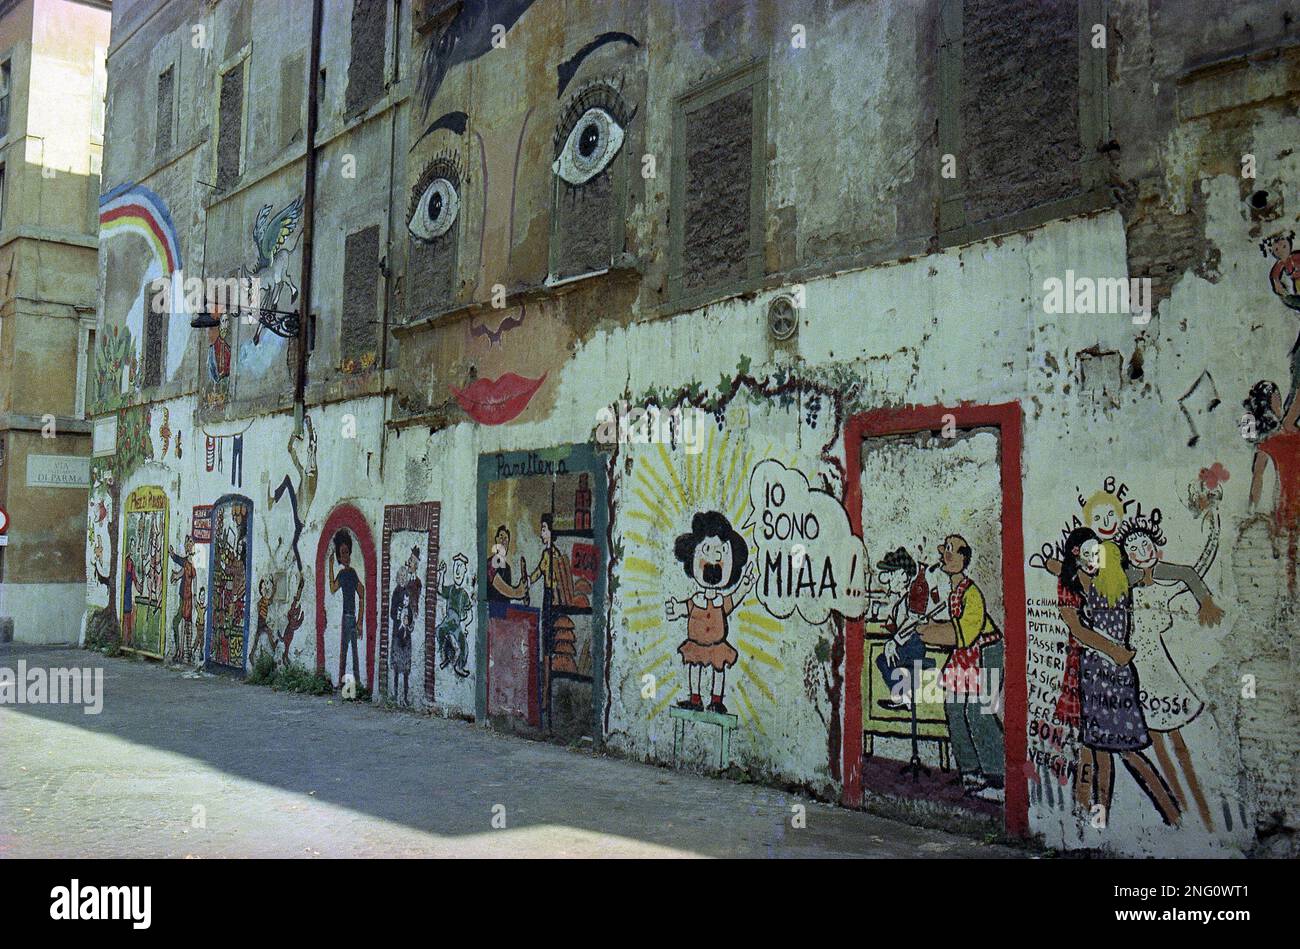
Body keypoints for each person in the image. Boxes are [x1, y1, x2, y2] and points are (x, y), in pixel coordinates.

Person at [1055, 527, 1180, 825]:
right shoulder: (1121, 587)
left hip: (1098, 676)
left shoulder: (1092, 589)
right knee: (1124, 752)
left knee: (1110, 754)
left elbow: (1077, 618)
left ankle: (1105, 821)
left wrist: (1059, 565)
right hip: (1119, 677)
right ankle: (1169, 815)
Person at [918, 535, 1004, 801]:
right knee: (954, 709)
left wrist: (930, 633)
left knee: (979, 712)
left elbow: (965, 632)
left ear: (964, 558)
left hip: (985, 652)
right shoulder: (954, 590)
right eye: (945, 549)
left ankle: (998, 778)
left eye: (953, 551)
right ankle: (971, 771)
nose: (946, 554)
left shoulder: (972, 593)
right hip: (965, 654)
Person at [665, 511, 757, 714]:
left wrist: (744, 586)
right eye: (706, 552)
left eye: (720, 555)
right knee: (695, 667)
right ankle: (695, 698)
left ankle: (717, 700)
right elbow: (685, 607)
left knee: (718, 669)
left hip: (716, 645)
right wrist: (676, 609)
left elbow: (733, 599)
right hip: (697, 643)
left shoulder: (720, 601)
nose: (713, 563)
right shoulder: (696, 600)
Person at [1245, 380, 1300, 593]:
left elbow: (1257, 476)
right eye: (1277, 399)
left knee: (1289, 565)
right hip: (1286, 509)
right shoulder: (1277, 438)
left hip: (1284, 509)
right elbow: (1258, 477)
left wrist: (1252, 508)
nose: (1281, 404)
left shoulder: (1273, 440)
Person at [873, 547, 932, 711]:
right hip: (907, 643)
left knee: (884, 660)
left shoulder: (914, 594)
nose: (888, 579)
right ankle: (903, 697)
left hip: (913, 645)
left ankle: (904, 697)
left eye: (893, 573)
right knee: (883, 660)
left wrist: (894, 641)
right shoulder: (901, 600)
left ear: (904, 575)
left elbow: (913, 619)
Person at [328, 529, 365, 693]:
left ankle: (353, 683)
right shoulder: (344, 574)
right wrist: (330, 567)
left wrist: (360, 621)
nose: (346, 556)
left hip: (350, 617)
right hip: (346, 617)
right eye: (343, 553)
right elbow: (332, 587)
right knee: (346, 651)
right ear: (339, 556)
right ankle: (346, 683)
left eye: (347, 552)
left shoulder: (350, 573)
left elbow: (362, 593)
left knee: (352, 652)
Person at [436, 554, 473, 677]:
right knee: (440, 631)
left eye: (460, 567)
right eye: (456, 566)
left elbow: (469, 615)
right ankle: (446, 655)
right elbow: (440, 589)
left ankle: (459, 665)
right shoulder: (451, 589)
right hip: (448, 621)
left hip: (457, 624)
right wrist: (441, 573)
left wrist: (465, 624)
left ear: (464, 571)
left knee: (464, 646)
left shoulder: (464, 594)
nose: (457, 571)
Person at [169, 535, 197, 663]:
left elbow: (192, 579)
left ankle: (185, 653)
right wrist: (175, 576)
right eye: (187, 543)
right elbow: (181, 568)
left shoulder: (192, 563)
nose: (189, 545)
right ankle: (181, 652)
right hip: (183, 597)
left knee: (184, 625)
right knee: (179, 624)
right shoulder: (186, 562)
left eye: (191, 542)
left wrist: (195, 597)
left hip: (187, 598)